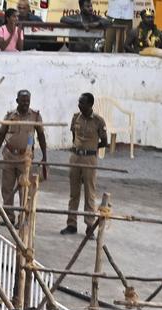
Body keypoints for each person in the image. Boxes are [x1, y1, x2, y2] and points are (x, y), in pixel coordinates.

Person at [0, 91, 48, 218]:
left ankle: (23, 217)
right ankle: (8, 216)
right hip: (9, 156)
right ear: (17, 101)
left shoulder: (35, 116)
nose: (26, 103)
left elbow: (41, 136)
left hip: (25, 158)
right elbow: (1, 135)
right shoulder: (10, 116)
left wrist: (44, 156)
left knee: (24, 188)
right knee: (7, 188)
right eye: (23, 101)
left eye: (28, 101)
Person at [60, 93, 108, 237]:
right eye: (79, 102)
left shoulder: (99, 121)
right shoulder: (76, 118)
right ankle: (71, 224)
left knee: (89, 193)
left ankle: (89, 226)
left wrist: (91, 148)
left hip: (89, 159)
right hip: (75, 157)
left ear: (90, 105)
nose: (79, 105)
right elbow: (74, 137)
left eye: (82, 103)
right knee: (74, 193)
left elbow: (104, 142)